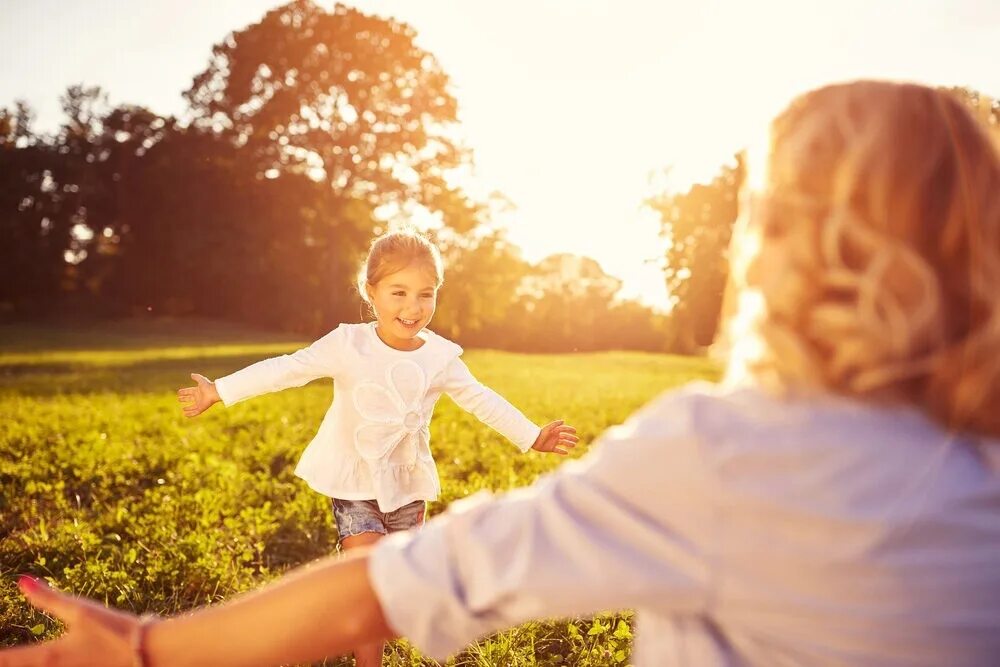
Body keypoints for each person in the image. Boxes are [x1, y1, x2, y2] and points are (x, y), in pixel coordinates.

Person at [4, 80, 1000, 667]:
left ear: (782, 245)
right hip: (362, 487)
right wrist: (223, 388)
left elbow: (386, 587)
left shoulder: (731, 457)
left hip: (402, 508)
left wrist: (142, 649)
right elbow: (292, 368)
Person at [174, 229, 578, 666]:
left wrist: (532, 434)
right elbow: (288, 370)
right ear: (371, 292)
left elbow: (481, 399)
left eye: (426, 294)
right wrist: (220, 390)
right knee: (368, 578)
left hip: (407, 484)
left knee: (395, 584)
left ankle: (392, 614)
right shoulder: (348, 344)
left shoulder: (440, 357)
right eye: (398, 292)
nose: (412, 307)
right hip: (354, 481)